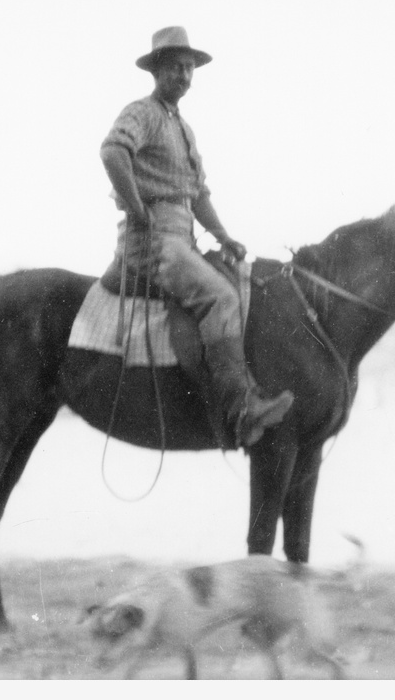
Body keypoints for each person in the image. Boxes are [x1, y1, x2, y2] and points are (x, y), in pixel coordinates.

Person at [99, 26, 294, 447]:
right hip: (153, 242)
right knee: (221, 297)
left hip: (182, 236)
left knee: (239, 281)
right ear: (157, 71)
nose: (184, 76)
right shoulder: (143, 113)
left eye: (189, 68)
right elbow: (113, 151)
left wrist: (223, 235)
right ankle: (241, 405)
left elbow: (198, 193)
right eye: (176, 67)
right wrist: (137, 211)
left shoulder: (183, 128)